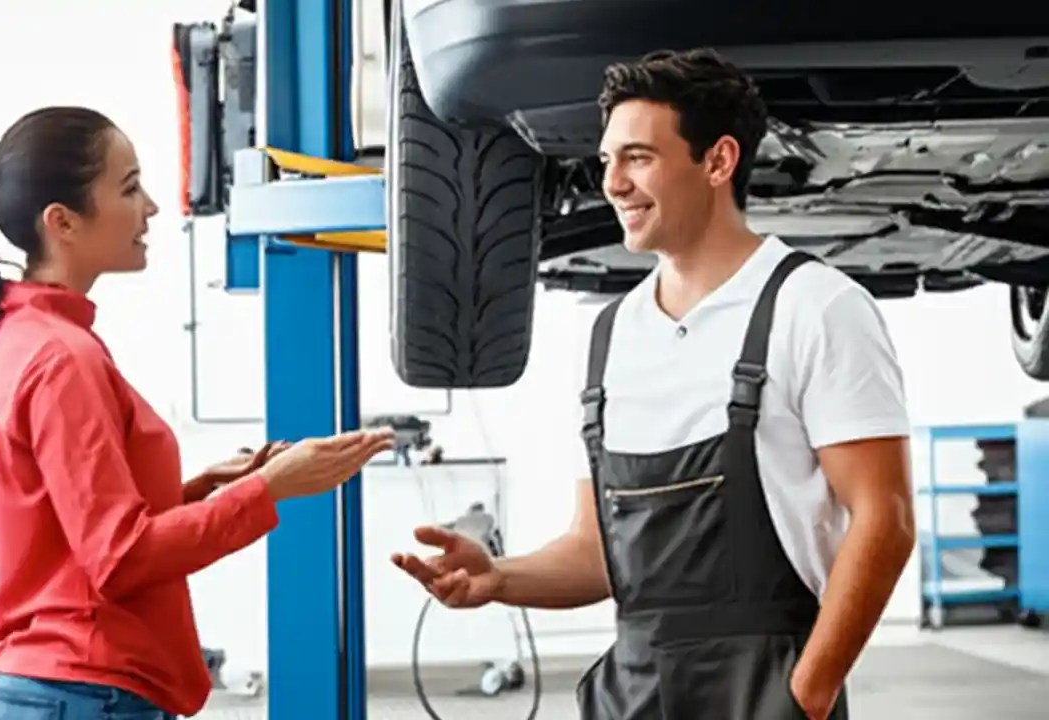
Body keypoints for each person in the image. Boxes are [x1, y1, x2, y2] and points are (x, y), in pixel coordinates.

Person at [391, 49, 916, 720]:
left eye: (638, 157)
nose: (612, 183)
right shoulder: (613, 334)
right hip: (633, 693)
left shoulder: (814, 306)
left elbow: (885, 519)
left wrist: (805, 695)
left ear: (719, 161)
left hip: (764, 693)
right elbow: (598, 550)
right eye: (608, 159)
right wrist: (501, 578)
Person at [0, 106, 394, 720]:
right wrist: (268, 488)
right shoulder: (61, 358)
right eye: (129, 188)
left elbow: (72, 537)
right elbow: (119, 560)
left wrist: (202, 492)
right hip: (82, 694)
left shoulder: (24, 338)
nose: (149, 207)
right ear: (62, 222)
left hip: (59, 693)